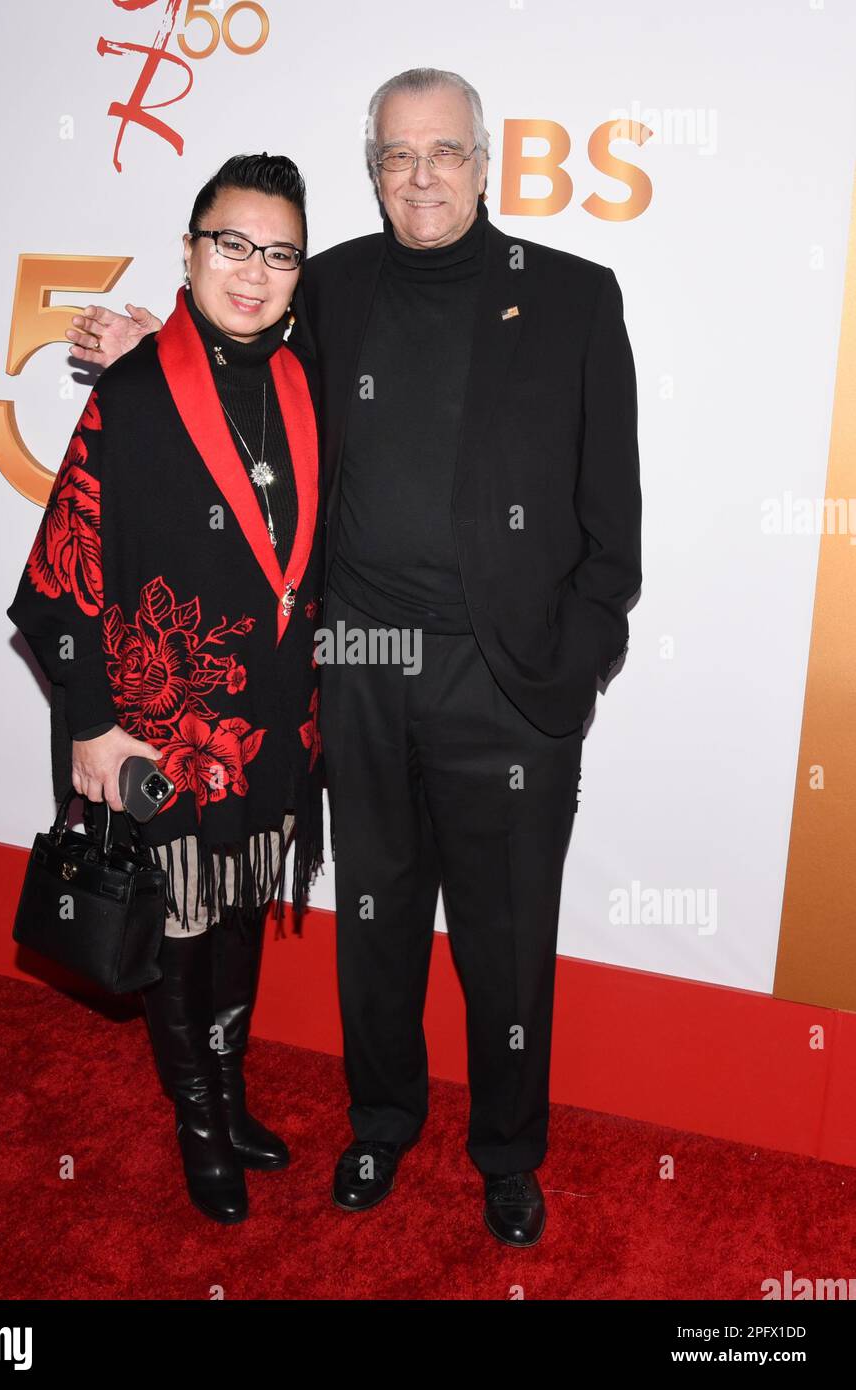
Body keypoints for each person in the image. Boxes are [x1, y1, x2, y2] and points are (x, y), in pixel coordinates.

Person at [66, 67, 642, 1248]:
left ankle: (507, 1152)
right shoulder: (328, 286)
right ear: (372, 169)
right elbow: (236, 372)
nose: (420, 175)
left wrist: (572, 666)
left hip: (507, 685)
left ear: (485, 162)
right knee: (377, 925)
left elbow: (612, 520)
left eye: (443, 151)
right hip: (360, 673)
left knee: (508, 944)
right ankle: (380, 1120)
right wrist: (150, 352)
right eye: (396, 155)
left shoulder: (574, 297)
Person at [8, 153, 324, 1225]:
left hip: (270, 727)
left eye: (280, 253)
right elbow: (60, 580)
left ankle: (228, 1096)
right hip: (159, 734)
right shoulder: (136, 396)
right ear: (189, 253)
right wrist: (92, 728)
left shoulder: (304, 384)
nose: (254, 270)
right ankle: (197, 1121)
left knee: (234, 919)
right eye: (232, 244)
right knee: (179, 926)